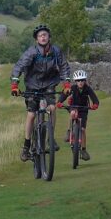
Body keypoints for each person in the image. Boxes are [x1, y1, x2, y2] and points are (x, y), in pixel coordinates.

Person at [10, 24, 71, 162]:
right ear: (36, 39)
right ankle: (26, 146)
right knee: (31, 115)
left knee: (52, 108)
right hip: (32, 85)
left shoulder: (56, 51)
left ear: (49, 37)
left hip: (49, 84)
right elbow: (19, 67)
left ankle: (50, 138)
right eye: (40, 35)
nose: (43, 37)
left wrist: (66, 83)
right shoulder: (31, 52)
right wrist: (14, 84)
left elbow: (64, 67)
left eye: (45, 35)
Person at [57, 69, 99, 161]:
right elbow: (64, 94)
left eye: (82, 80)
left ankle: (83, 150)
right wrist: (60, 102)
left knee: (83, 129)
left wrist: (95, 104)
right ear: (75, 81)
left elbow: (94, 98)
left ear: (85, 81)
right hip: (74, 107)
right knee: (73, 113)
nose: (80, 82)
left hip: (84, 109)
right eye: (78, 81)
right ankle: (69, 131)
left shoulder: (88, 89)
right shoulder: (72, 88)